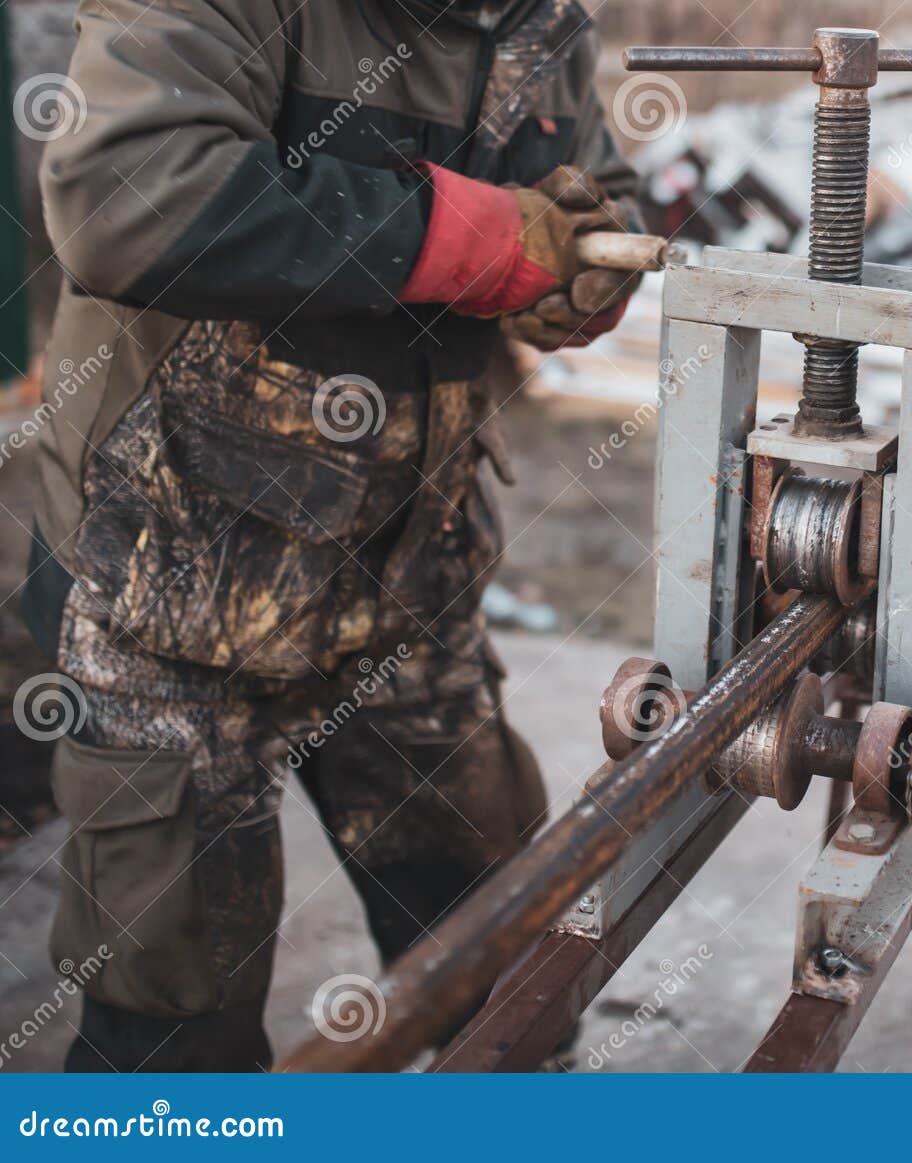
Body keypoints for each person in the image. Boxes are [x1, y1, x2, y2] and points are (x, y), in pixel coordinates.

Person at [25, 0, 639, 1071]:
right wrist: (478, 243)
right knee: (174, 1024)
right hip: (170, 584)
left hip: (406, 568)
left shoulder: (540, 19)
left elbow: (590, 182)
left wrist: (580, 267)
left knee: (498, 964)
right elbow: (125, 199)